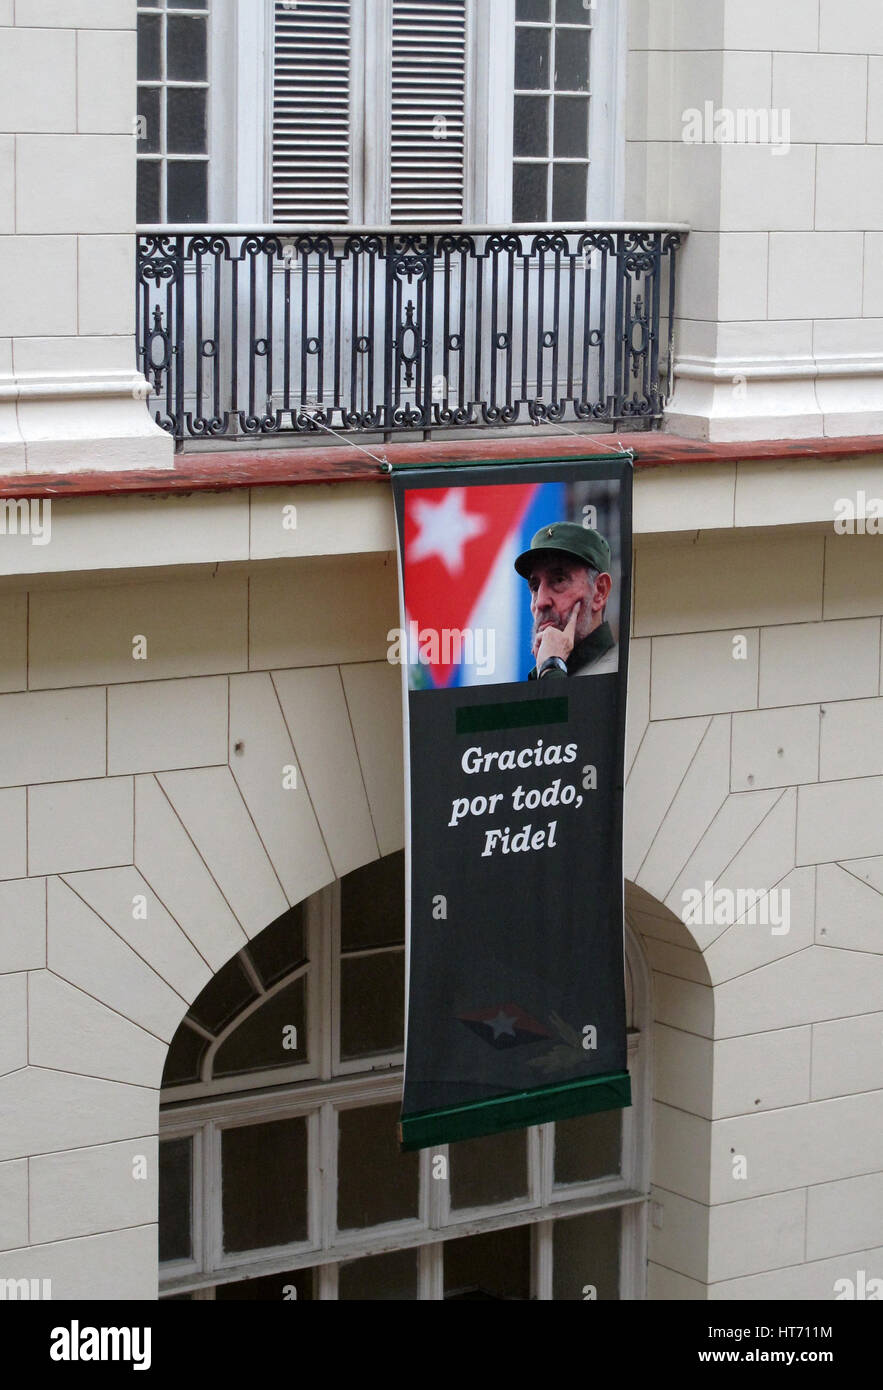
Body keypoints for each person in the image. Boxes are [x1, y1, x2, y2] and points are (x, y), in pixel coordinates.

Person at [514, 521, 618, 679]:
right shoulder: (541, 675)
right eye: (535, 587)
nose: (540, 602)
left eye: (559, 580)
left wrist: (551, 666)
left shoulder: (624, 669)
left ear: (600, 591)